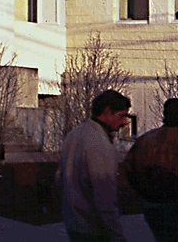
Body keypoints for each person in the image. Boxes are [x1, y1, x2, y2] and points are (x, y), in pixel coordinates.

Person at [124, 98, 178, 242]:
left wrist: (142, 191)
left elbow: (129, 168)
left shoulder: (146, 139)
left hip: (151, 204)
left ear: (165, 114)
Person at [56, 89, 131, 242]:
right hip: (93, 229)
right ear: (107, 111)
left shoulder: (74, 134)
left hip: (74, 224)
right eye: (122, 115)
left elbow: (59, 179)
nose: (125, 122)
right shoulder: (99, 143)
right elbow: (104, 198)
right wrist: (117, 236)